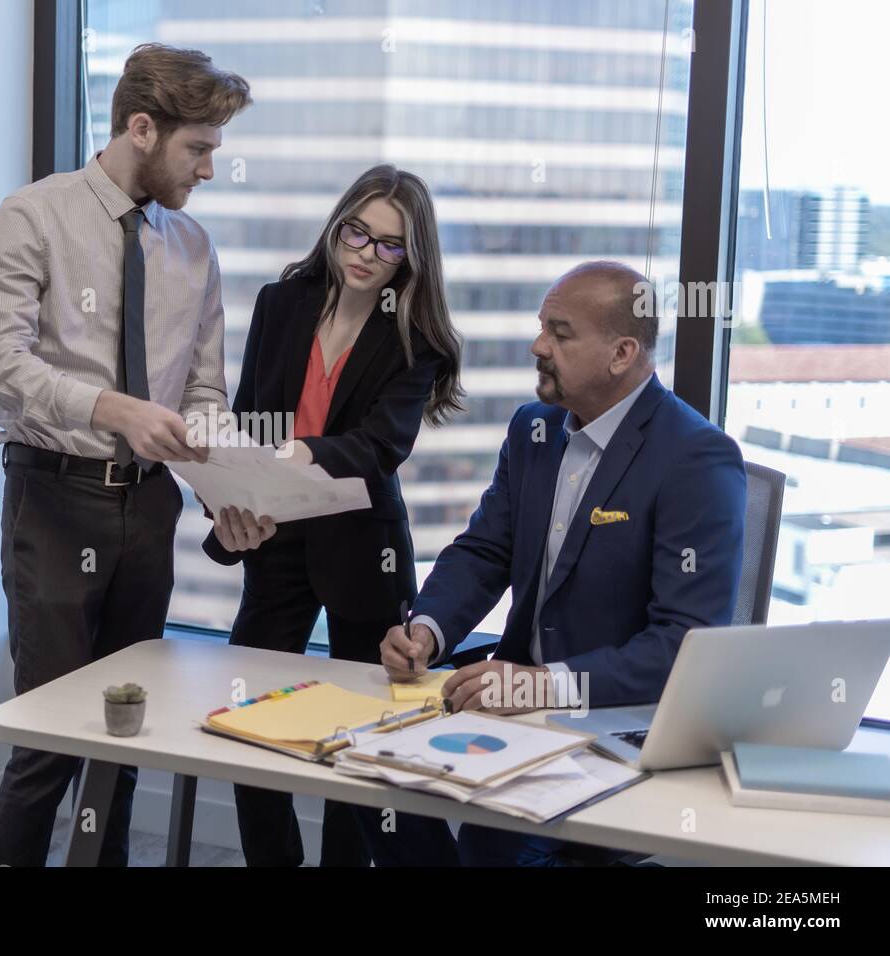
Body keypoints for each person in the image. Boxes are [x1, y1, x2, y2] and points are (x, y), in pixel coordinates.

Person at [366, 259, 747, 866]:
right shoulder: (533, 429)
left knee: (498, 842)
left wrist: (539, 684)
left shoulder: (696, 458)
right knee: (371, 782)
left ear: (622, 353)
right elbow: (486, 550)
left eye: (560, 333)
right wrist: (428, 629)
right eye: (542, 325)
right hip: (518, 715)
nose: (537, 345)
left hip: (615, 725)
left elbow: (683, 645)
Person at [0, 43, 251, 867]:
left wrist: (225, 485)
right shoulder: (33, 216)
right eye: (198, 148)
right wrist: (112, 407)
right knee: (51, 733)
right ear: (140, 128)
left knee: (127, 730)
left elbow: (205, 399)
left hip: (149, 507)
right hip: (53, 502)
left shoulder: (194, 249)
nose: (207, 169)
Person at [203, 165, 465, 866]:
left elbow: (380, 446)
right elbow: (250, 416)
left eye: (388, 246)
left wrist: (293, 454)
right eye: (357, 231)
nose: (364, 253)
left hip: (364, 552)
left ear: (410, 261)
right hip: (278, 539)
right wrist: (234, 484)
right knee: (248, 727)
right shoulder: (282, 302)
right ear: (337, 223)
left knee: (361, 743)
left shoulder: (417, 340)